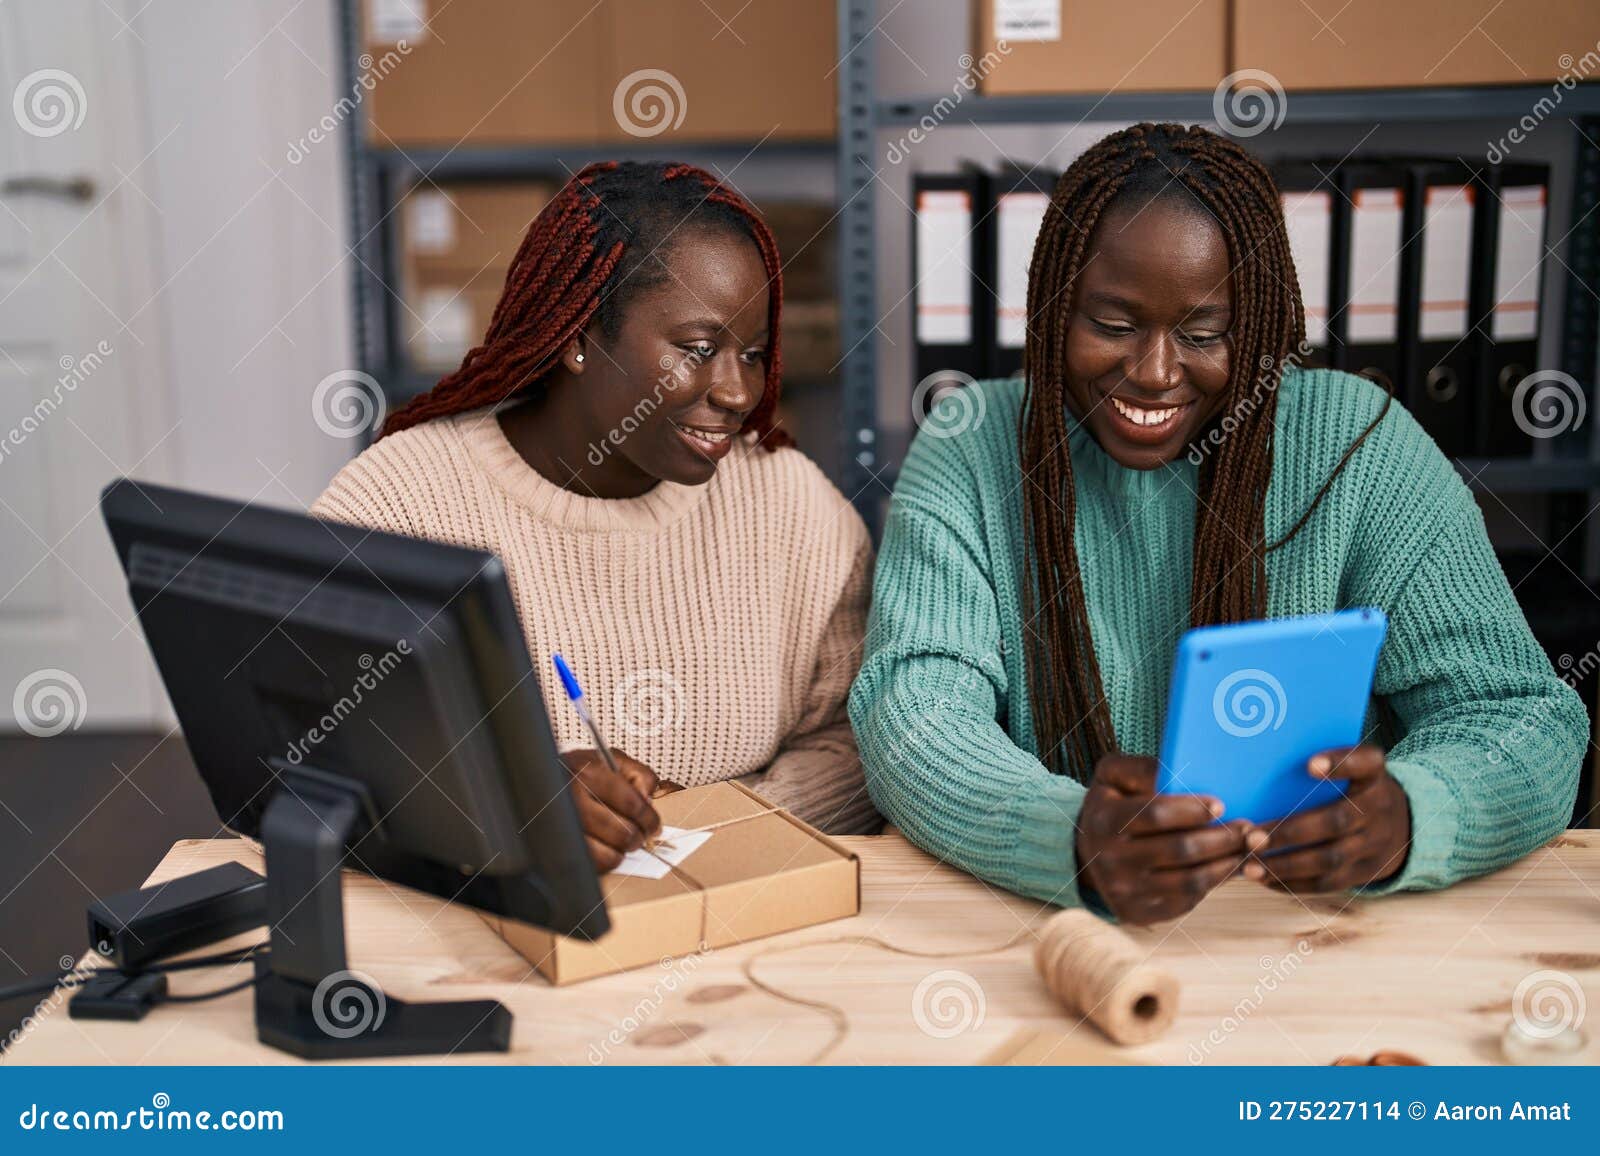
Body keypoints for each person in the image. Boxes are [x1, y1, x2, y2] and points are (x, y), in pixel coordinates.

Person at [848, 122, 1585, 925]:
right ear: (1054, 307)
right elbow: (911, 713)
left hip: (1308, 932)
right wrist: (1065, 837)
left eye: (1203, 335)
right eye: (1115, 324)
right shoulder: (972, 443)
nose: (1154, 372)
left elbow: (1525, 717)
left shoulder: (1360, 443)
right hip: (1058, 933)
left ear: (1260, 325)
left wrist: (1410, 817)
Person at [314, 161, 880, 871]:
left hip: (732, 927)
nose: (737, 391)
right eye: (698, 350)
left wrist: (707, 824)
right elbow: (311, 758)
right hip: (481, 933)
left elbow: (856, 739)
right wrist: (501, 809)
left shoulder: (792, 507)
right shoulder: (395, 506)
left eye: (755, 354)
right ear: (579, 338)